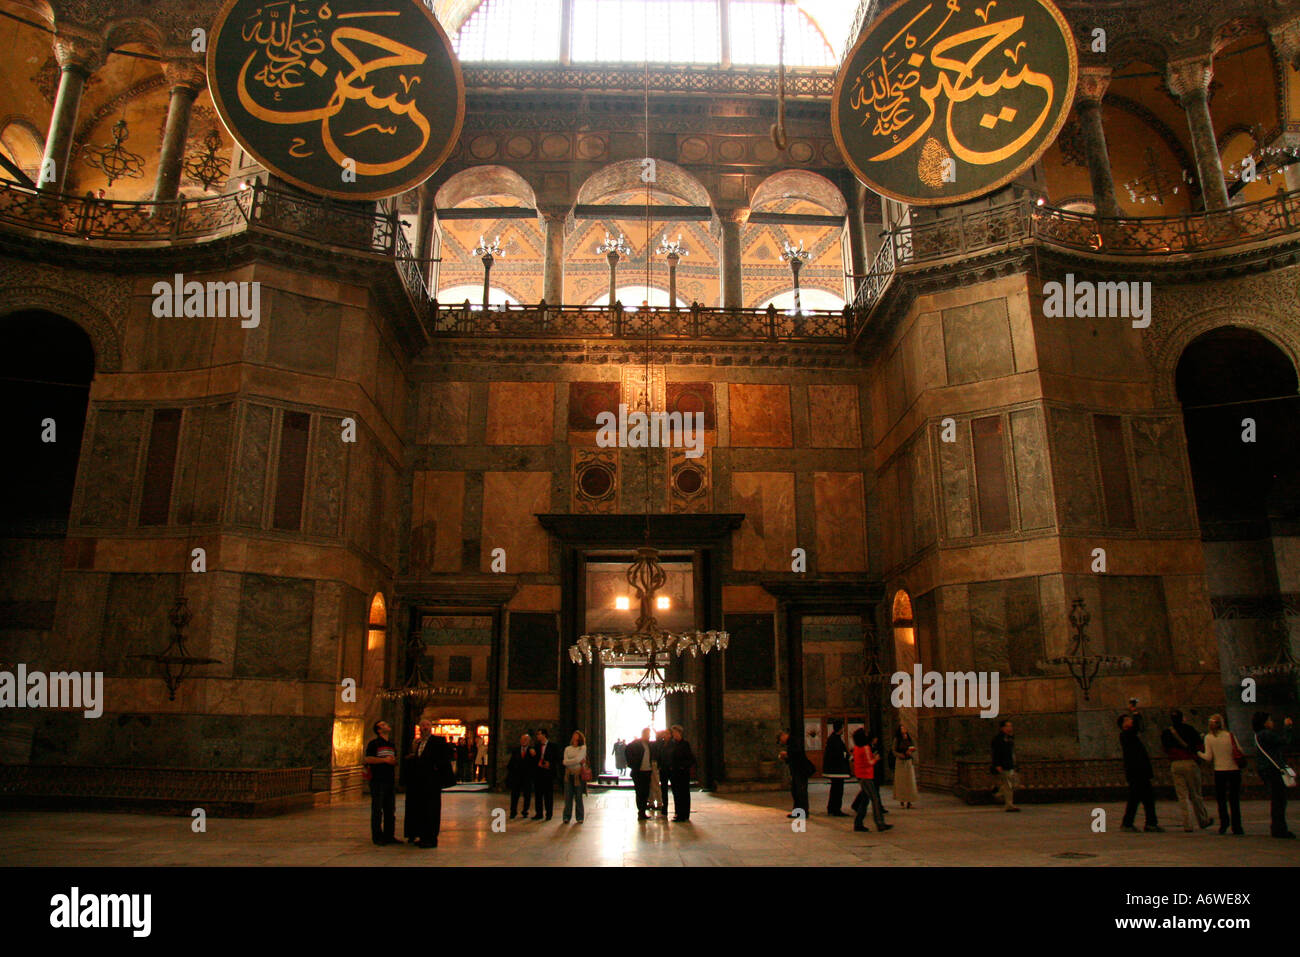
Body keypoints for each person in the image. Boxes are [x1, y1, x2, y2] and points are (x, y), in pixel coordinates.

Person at [1161, 709, 1212, 832]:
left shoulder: (1167, 732)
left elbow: (1165, 749)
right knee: (1196, 794)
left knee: (1182, 796)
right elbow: (1199, 746)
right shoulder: (1190, 729)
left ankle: (1187, 824)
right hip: (1190, 763)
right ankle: (1202, 820)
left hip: (1175, 764)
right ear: (1182, 718)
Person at [407, 718, 452, 848]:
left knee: (432, 809)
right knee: (422, 809)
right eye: (423, 725)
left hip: (432, 781)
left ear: (431, 727)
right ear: (419, 728)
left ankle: (431, 838)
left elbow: (444, 757)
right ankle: (422, 835)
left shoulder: (438, 741)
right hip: (420, 782)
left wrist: (437, 770)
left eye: (427, 725)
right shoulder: (418, 742)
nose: (425, 727)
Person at [1119, 707, 1163, 832]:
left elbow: (1140, 727)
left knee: (1146, 798)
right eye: (1128, 720)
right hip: (1136, 773)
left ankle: (1149, 822)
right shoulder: (1126, 735)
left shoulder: (1130, 736)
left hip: (1140, 772)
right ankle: (1133, 823)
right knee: (1138, 799)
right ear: (1123, 725)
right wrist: (1136, 714)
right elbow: (1137, 727)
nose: (1131, 721)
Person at [1199, 713, 1244, 835]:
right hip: (1234, 769)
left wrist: (1198, 753)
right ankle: (1237, 826)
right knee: (1234, 799)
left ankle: (1224, 824)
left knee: (1221, 799)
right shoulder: (1230, 735)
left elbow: (1208, 757)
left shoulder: (1208, 738)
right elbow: (1240, 750)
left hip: (1219, 771)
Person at [1253, 711, 1296, 839]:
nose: (1272, 722)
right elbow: (1285, 741)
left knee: (1277, 800)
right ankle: (1280, 829)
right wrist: (1288, 727)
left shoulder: (1258, 735)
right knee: (1279, 800)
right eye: (1270, 720)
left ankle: (1277, 827)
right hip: (1273, 770)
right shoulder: (1266, 734)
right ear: (1265, 722)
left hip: (1266, 770)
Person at [849, 728, 891, 832]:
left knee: (864, 800)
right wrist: (876, 759)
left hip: (860, 775)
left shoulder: (856, 748)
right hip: (867, 776)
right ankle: (879, 823)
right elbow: (869, 762)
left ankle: (858, 823)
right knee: (875, 799)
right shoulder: (866, 748)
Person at [363, 719, 397, 845]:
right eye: (383, 724)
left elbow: (394, 759)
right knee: (377, 809)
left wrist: (393, 761)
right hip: (378, 780)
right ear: (378, 730)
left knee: (390, 809)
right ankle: (377, 836)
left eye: (386, 723)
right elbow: (368, 759)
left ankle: (389, 835)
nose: (387, 725)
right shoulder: (374, 743)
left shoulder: (391, 744)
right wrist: (384, 761)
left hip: (389, 779)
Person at [777, 729, 812, 818]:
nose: (782, 742)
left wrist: (787, 754)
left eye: (781, 740)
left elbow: (797, 754)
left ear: (783, 735)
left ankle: (802, 812)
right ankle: (798, 811)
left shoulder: (794, 741)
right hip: (797, 770)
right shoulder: (791, 742)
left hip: (800, 770)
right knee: (796, 792)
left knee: (800, 792)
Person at [990, 720, 1020, 812]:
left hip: (1010, 764)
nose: (1010, 728)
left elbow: (1012, 752)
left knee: (1015, 784)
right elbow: (995, 753)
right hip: (1003, 765)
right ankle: (1009, 805)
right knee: (1008, 785)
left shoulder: (1010, 738)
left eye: (1011, 726)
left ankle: (998, 792)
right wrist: (997, 764)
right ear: (1002, 728)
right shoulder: (998, 739)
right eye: (1008, 726)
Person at [822, 720, 850, 817]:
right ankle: (836, 809)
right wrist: (847, 756)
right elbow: (840, 753)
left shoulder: (833, 739)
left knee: (835, 789)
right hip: (837, 770)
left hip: (834, 769)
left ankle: (831, 808)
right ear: (840, 729)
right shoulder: (835, 740)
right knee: (837, 790)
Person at [668, 725, 695, 821]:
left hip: (682, 773)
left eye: (675, 732)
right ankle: (678, 813)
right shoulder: (672, 744)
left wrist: (683, 766)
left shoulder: (685, 744)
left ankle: (684, 814)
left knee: (684, 794)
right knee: (676, 794)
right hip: (674, 773)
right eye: (672, 733)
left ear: (680, 733)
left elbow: (690, 758)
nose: (673, 734)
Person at [532, 728, 560, 820]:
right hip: (538, 773)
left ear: (544, 735)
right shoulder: (536, 746)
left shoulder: (553, 746)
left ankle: (549, 814)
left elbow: (557, 758)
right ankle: (539, 813)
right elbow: (535, 758)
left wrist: (550, 764)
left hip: (548, 773)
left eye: (539, 734)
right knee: (538, 794)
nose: (538, 736)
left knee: (548, 795)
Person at [626, 727, 653, 820]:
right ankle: (641, 811)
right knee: (639, 792)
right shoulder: (636, 744)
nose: (649, 736)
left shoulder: (649, 744)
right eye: (647, 734)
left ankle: (643, 810)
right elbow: (628, 750)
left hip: (647, 771)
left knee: (645, 792)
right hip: (638, 772)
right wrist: (632, 764)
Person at [506, 733, 535, 819]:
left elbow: (533, 764)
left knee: (527, 795)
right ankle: (513, 811)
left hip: (527, 777)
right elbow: (511, 763)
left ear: (529, 741)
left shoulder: (532, 751)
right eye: (522, 739)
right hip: (517, 776)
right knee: (515, 795)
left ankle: (525, 811)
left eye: (525, 740)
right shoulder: (516, 750)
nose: (523, 741)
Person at [562, 730, 588, 823]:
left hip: (578, 775)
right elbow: (564, 762)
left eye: (576, 735)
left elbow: (578, 759)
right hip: (569, 775)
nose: (574, 737)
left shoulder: (583, 748)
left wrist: (571, 761)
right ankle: (566, 817)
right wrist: (574, 761)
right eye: (574, 735)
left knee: (578, 797)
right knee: (568, 797)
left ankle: (580, 817)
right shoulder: (567, 748)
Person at [893, 725, 919, 809]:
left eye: (905, 728)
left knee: (909, 781)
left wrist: (911, 751)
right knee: (901, 781)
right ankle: (902, 800)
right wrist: (901, 755)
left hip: (908, 761)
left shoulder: (909, 738)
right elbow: (894, 750)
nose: (904, 730)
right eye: (902, 729)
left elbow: (913, 746)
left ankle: (909, 801)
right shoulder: (897, 739)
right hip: (900, 761)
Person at [652, 728, 672, 817]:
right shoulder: (661, 744)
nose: (665, 735)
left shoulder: (673, 744)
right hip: (663, 769)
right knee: (663, 789)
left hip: (671, 769)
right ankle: (664, 808)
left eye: (667, 733)